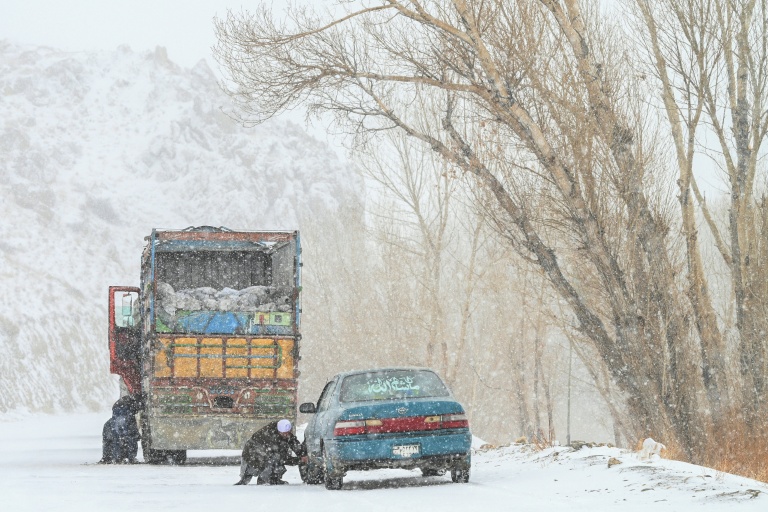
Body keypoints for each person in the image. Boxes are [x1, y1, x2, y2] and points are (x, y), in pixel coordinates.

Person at [234, 419, 306, 485]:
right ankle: (265, 480)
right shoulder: (271, 438)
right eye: (284, 433)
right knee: (275, 460)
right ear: (279, 431)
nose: (286, 435)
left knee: (274, 460)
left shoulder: (283, 432)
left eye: (288, 433)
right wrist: (300, 460)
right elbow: (283, 459)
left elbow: (294, 443)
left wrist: (303, 454)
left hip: (259, 454)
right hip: (252, 456)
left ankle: (271, 479)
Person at [99, 394, 142, 464]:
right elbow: (131, 436)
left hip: (120, 409)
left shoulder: (109, 424)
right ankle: (123, 457)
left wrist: (106, 457)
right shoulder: (128, 417)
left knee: (119, 435)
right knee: (127, 435)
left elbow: (107, 441)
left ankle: (117, 457)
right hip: (125, 409)